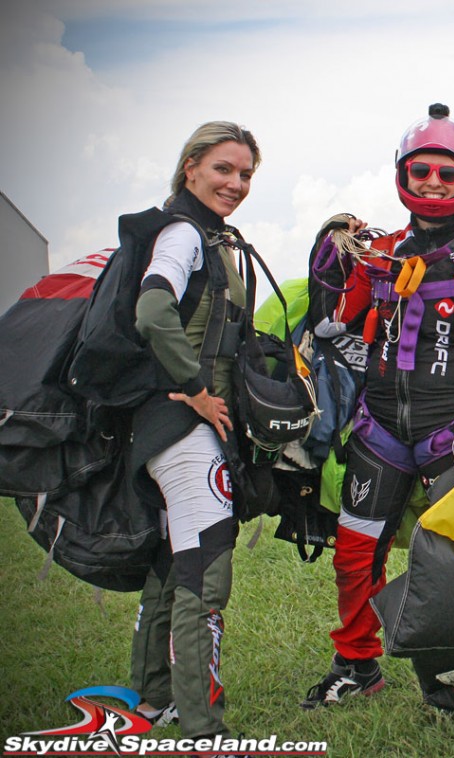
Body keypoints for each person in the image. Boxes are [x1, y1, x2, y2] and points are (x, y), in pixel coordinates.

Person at [300, 104, 454, 708]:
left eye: (447, 174)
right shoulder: (378, 252)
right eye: (420, 171)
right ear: (402, 173)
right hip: (379, 430)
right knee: (354, 554)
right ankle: (356, 664)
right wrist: (329, 259)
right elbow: (331, 325)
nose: (433, 183)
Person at [129, 121, 259, 739]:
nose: (235, 183)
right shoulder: (183, 234)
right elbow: (154, 311)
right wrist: (199, 390)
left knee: (172, 565)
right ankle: (205, 731)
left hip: (163, 427)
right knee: (205, 574)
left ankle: (152, 700)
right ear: (191, 168)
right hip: (182, 426)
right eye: (222, 169)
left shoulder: (206, 236)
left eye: (245, 174)